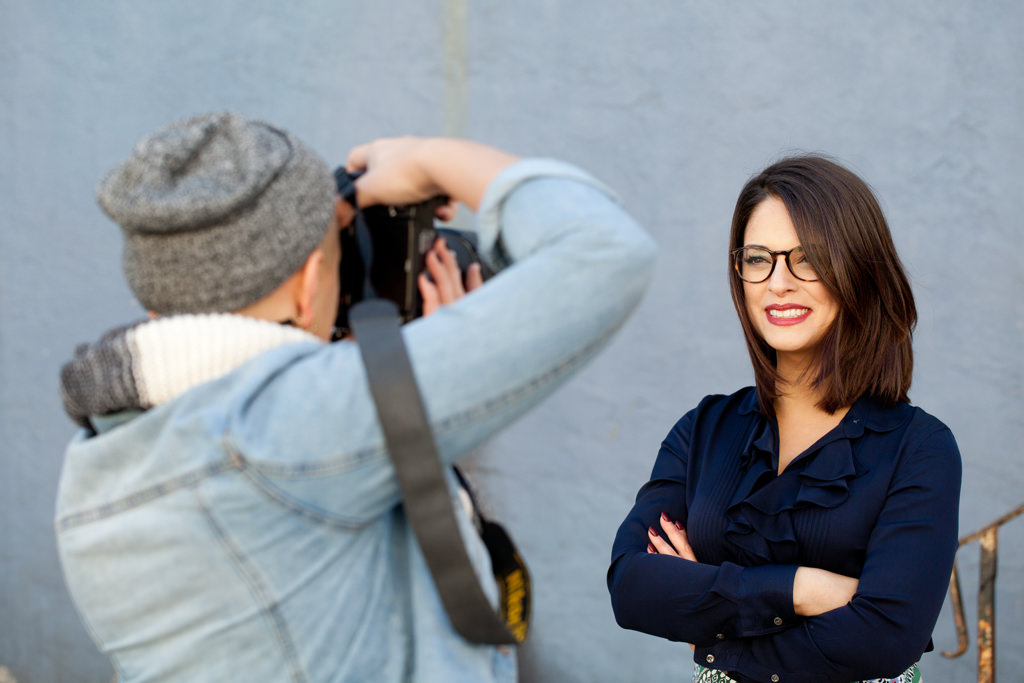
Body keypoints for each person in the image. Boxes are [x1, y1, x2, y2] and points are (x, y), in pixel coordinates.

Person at [56, 111, 656, 682]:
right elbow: (606, 250)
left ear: (156, 299)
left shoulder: (95, 463)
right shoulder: (303, 427)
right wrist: (429, 158)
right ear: (311, 280)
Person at [607, 155, 961, 683]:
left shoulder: (919, 447)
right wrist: (804, 589)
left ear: (857, 268)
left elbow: (886, 637)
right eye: (758, 259)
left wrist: (710, 621)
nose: (778, 283)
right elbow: (633, 587)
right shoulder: (704, 429)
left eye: (807, 258)